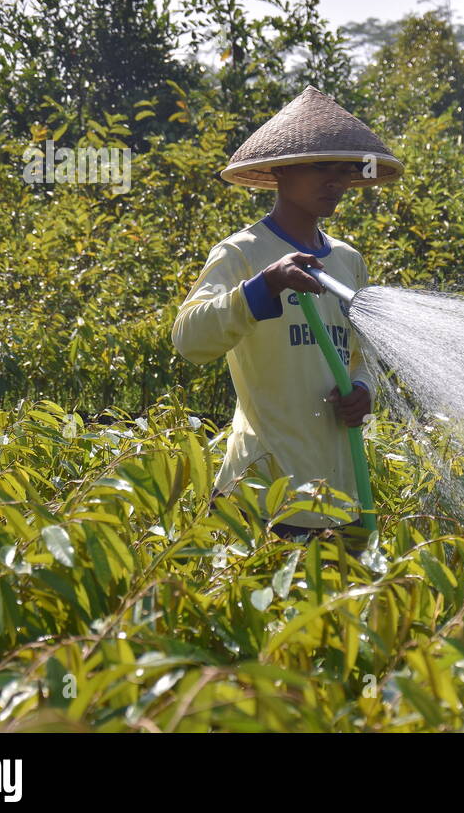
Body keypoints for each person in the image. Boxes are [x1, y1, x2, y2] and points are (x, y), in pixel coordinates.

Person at [171, 85, 403, 553]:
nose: (335, 182)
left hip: (339, 489)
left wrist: (363, 391)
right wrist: (263, 286)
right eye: (321, 167)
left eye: (343, 171)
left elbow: (361, 355)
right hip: (265, 487)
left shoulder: (347, 261)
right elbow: (188, 339)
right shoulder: (243, 253)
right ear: (280, 170)